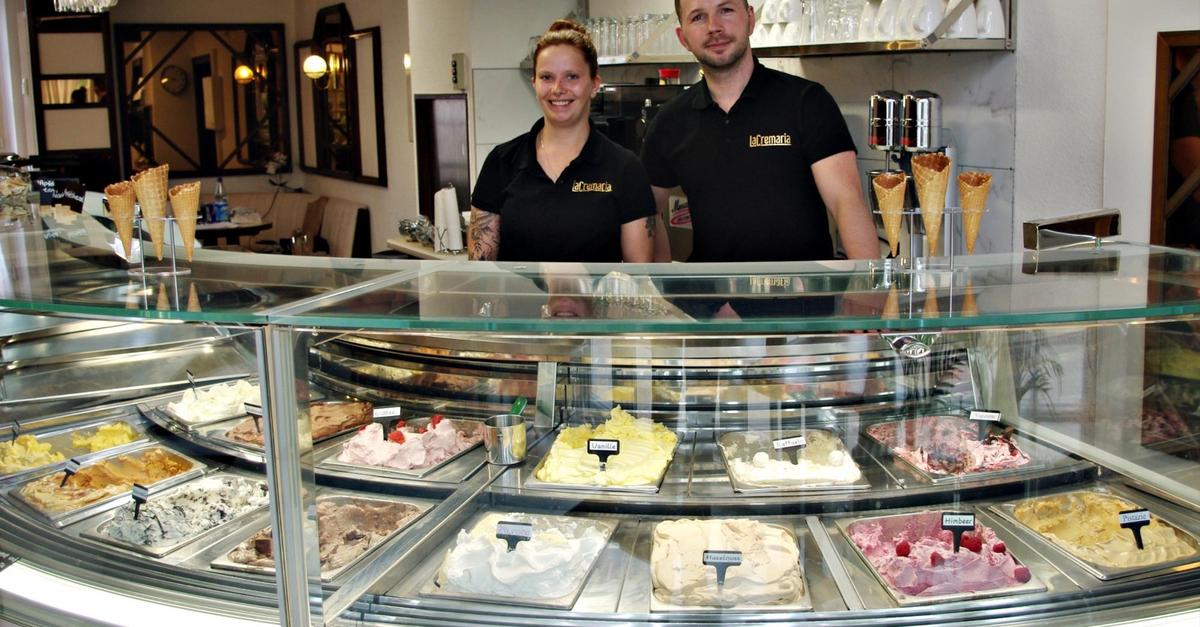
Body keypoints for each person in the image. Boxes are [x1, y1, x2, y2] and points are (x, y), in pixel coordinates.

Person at [641, 0, 878, 262]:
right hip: (713, 299)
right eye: (698, 17)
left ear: (750, 19)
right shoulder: (670, 121)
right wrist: (660, 282)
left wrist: (865, 292)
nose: (714, 27)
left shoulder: (807, 102)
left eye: (726, 10)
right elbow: (645, 210)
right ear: (682, 37)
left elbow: (847, 201)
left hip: (801, 298)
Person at [469, 20, 657, 263]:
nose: (558, 89)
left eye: (572, 76)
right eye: (547, 77)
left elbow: (638, 278)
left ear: (594, 85)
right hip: (519, 303)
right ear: (534, 83)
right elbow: (482, 274)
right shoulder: (501, 162)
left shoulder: (625, 168)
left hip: (596, 302)